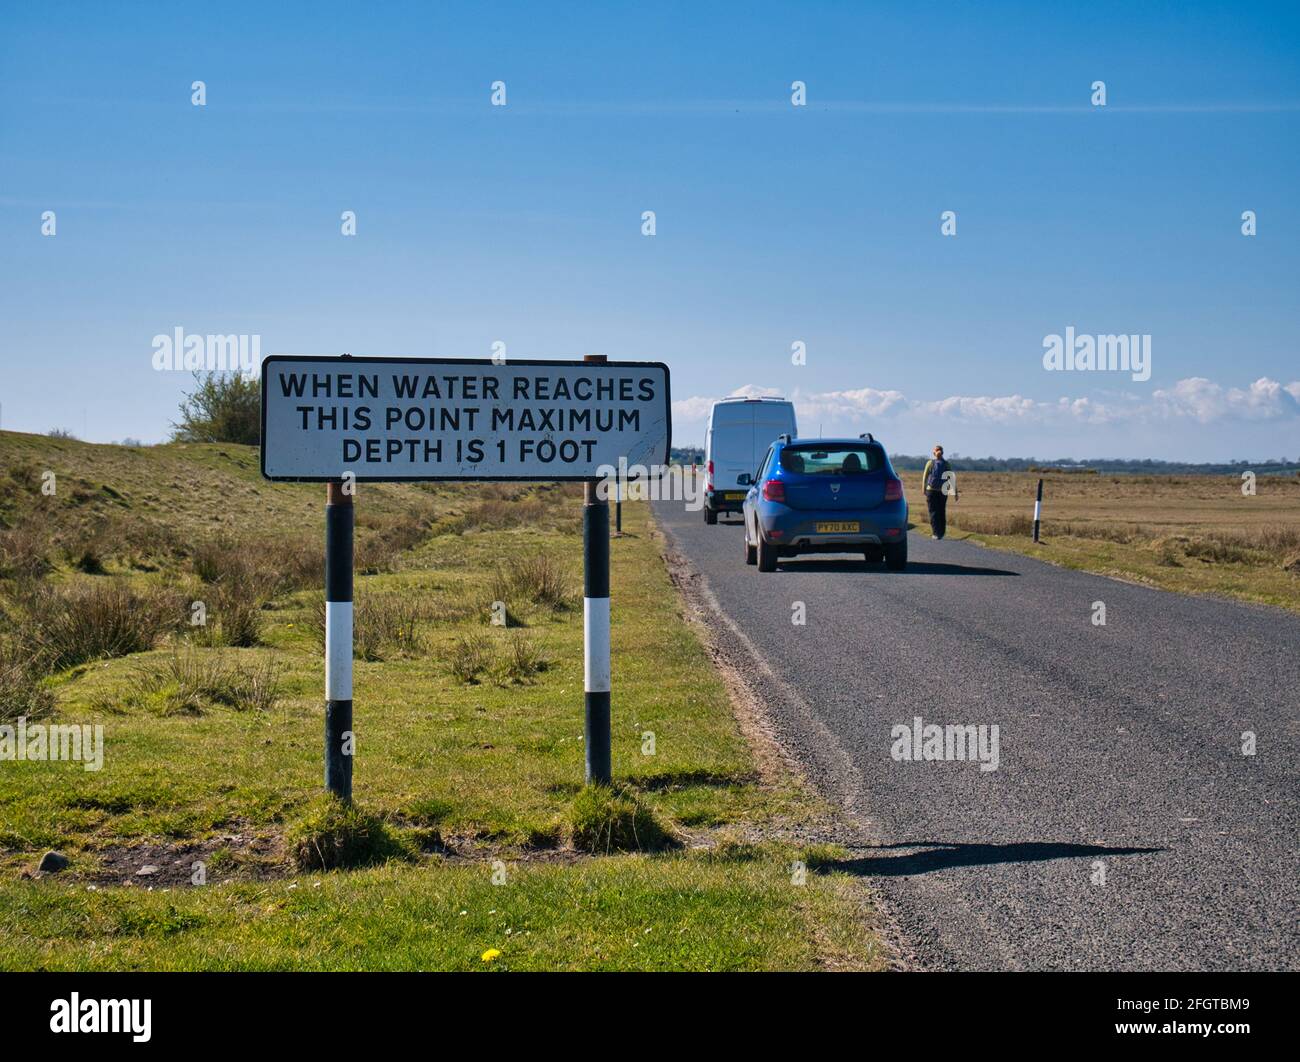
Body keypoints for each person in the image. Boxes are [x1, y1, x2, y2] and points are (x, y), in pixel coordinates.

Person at [920, 444, 956, 539]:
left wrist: (923, 488)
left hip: (931, 490)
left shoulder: (930, 463)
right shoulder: (946, 464)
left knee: (933, 512)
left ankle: (936, 533)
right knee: (941, 512)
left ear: (934, 453)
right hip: (943, 491)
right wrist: (955, 493)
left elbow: (925, 476)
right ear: (942, 452)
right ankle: (942, 533)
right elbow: (951, 478)